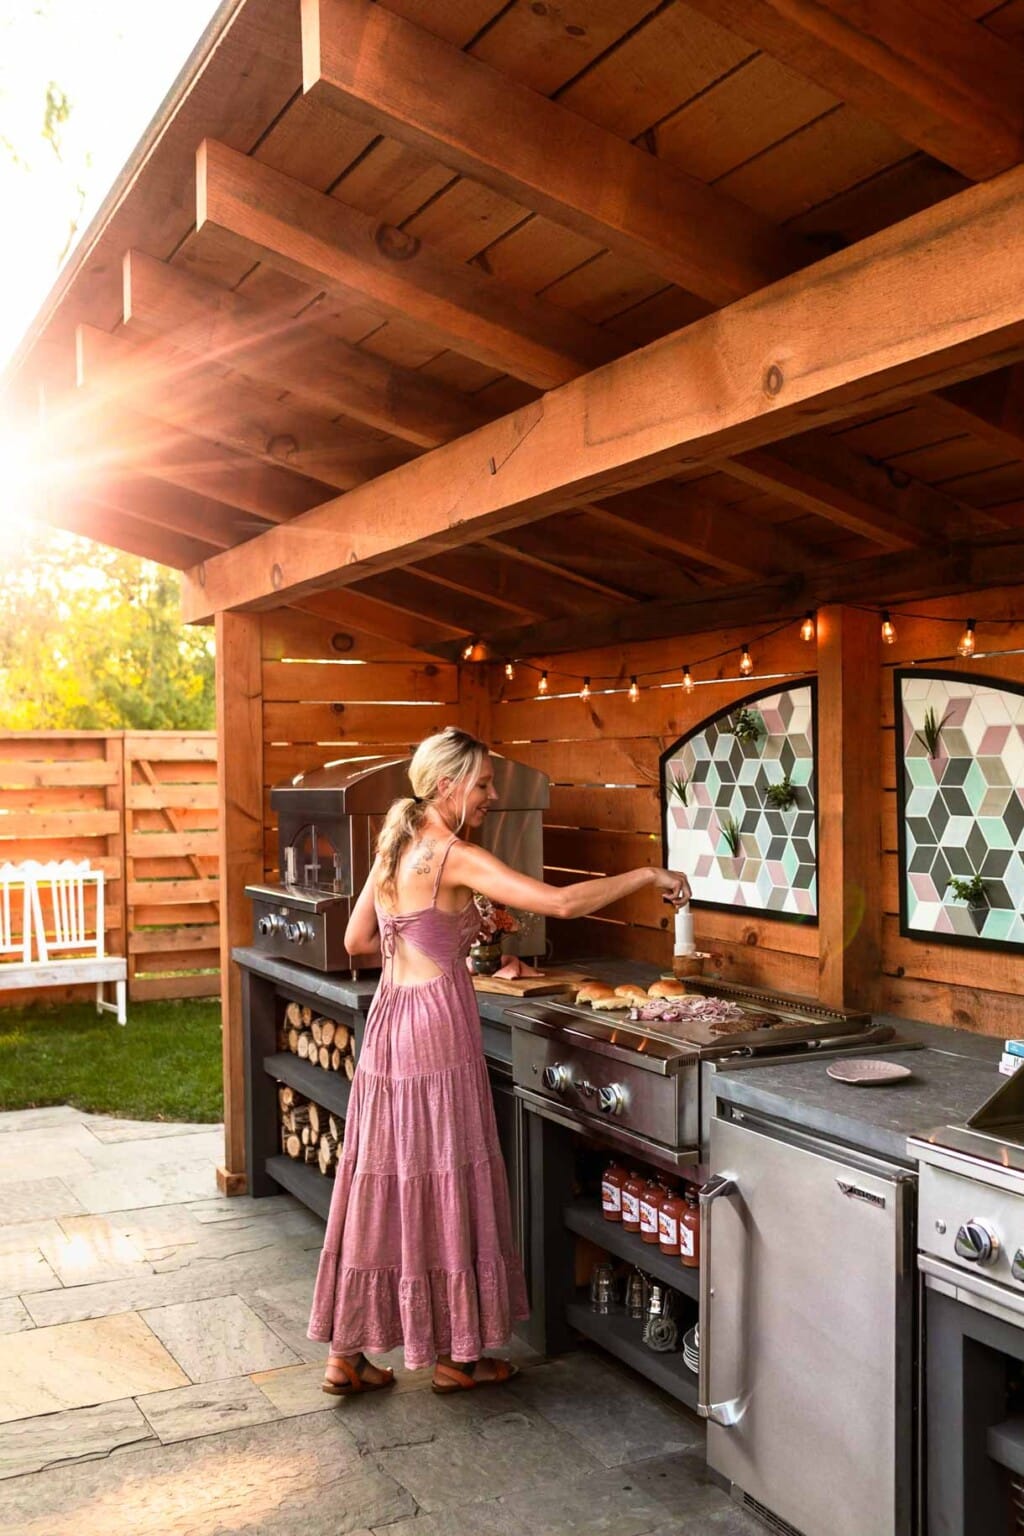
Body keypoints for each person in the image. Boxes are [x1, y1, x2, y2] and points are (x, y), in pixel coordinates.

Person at [307, 725, 691, 1396]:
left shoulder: (394, 844)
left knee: (384, 1176)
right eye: (482, 784)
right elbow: (562, 901)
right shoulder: (453, 853)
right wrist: (650, 873)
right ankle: (457, 1357)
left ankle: (348, 1352)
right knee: (447, 1175)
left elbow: (357, 938)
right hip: (435, 1029)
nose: (490, 796)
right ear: (447, 785)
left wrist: (447, 932)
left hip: (389, 1022)